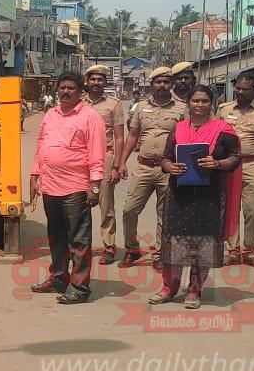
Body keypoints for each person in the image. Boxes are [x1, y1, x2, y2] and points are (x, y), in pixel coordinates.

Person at [153, 86, 242, 309]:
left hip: (209, 195)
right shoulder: (178, 128)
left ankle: (194, 290)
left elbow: (236, 158)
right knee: (174, 242)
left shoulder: (224, 130)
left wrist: (218, 163)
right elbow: (164, 158)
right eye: (195, 101)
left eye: (204, 101)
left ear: (211, 103)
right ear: (188, 103)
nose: (199, 105)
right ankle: (168, 288)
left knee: (202, 243)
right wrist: (169, 167)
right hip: (179, 194)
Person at [29, 72, 107, 305]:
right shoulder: (50, 115)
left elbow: (97, 155)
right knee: (56, 237)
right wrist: (35, 176)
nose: (65, 91)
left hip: (75, 189)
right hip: (50, 187)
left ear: (80, 92)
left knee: (79, 240)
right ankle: (58, 278)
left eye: (70, 88)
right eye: (61, 87)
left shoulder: (91, 118)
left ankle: (80, 287)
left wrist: (94, 187)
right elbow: (41, 147)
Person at [118, 67, 186, 267]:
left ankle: (160, 253)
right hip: (144, 167)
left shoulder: (182, 108)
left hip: (169, 169)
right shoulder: (140, 107)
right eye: (158, 82)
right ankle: (132, 249)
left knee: (164, 213)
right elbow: (132, 136)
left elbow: (187, 138)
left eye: (166, 82)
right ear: (151, 84)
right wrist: (121, 162)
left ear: (171, 84)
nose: (162, 85)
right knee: (129, 210)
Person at [217, 71, 254, 268]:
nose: (241, 92)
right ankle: (233, 251)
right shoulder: (223, 109)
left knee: (252, 210)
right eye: (238, 89)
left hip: (252, 165)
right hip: (228, 166)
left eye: (245, 89)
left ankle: (249, 251)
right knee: (230, 208)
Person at [82, 65, 128, 264]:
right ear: (87, 81)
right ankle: (80, 245)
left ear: (105, 82)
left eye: (100, 79)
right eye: (93, 79)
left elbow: (119, 137)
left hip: (105, 156)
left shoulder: (113, 104)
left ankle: (109, 246)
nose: (96, 83)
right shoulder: (78, 103)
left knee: (105, 203)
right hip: (80, 158)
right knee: (78, 203)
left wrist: (117, 165)